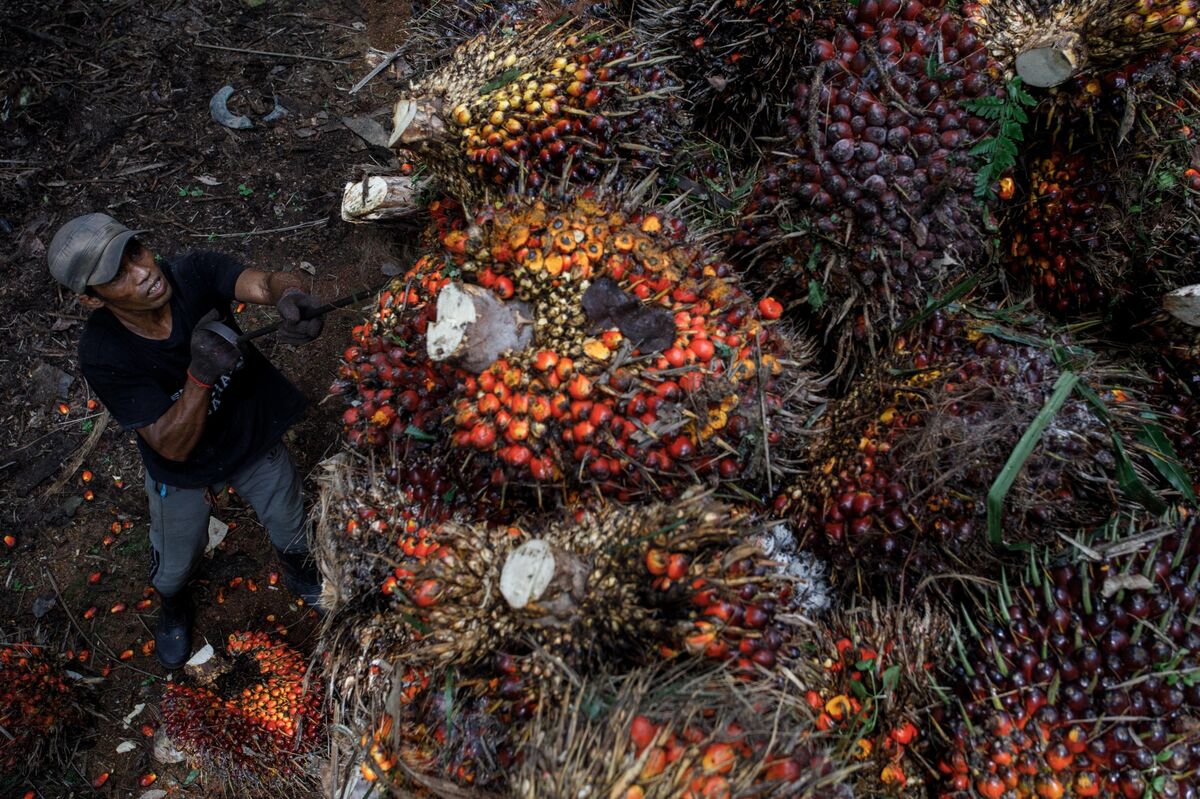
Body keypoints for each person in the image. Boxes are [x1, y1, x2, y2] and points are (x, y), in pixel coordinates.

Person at [48, 212, 326, 669]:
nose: (144, 273)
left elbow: (263, 283)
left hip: (248, 434)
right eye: (117, 276)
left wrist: (290, 295)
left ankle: (300, 571)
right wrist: (199, 375)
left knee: (289, 519)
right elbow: (171, 446)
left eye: (135, 251)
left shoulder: (191, 272)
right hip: (182, 471)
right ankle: (174, 604)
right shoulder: (103, 353)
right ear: (92, 300)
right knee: (175, 564)